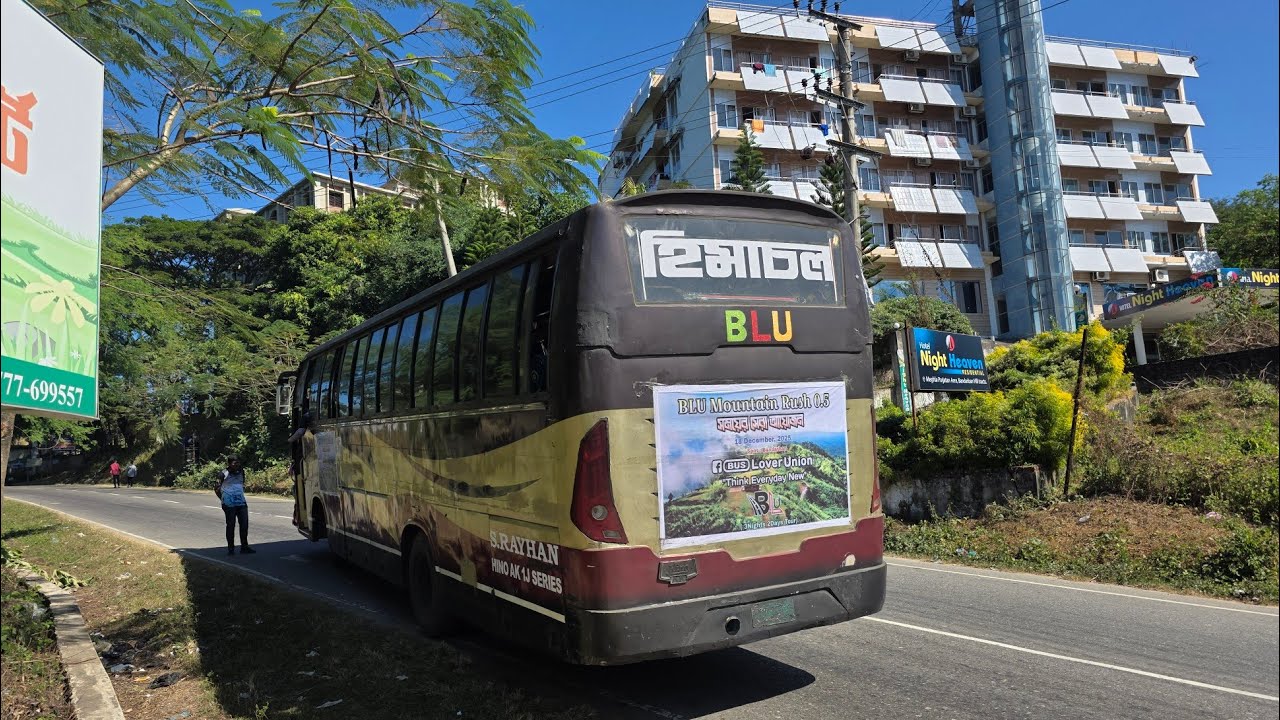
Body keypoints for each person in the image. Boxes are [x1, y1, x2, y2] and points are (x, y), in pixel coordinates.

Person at [216, 455, 255, 555]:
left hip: (241, 502)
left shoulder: (242, 471)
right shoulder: (223, 473)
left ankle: (244, 547)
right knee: (231, 525)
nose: (237, 464)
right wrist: (223, 499)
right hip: (229, 504)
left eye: (238, 462)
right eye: (234, 463)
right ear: (229, 464)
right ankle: (231, 549)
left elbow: (241, 484)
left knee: (244, 525)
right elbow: (216, 488)